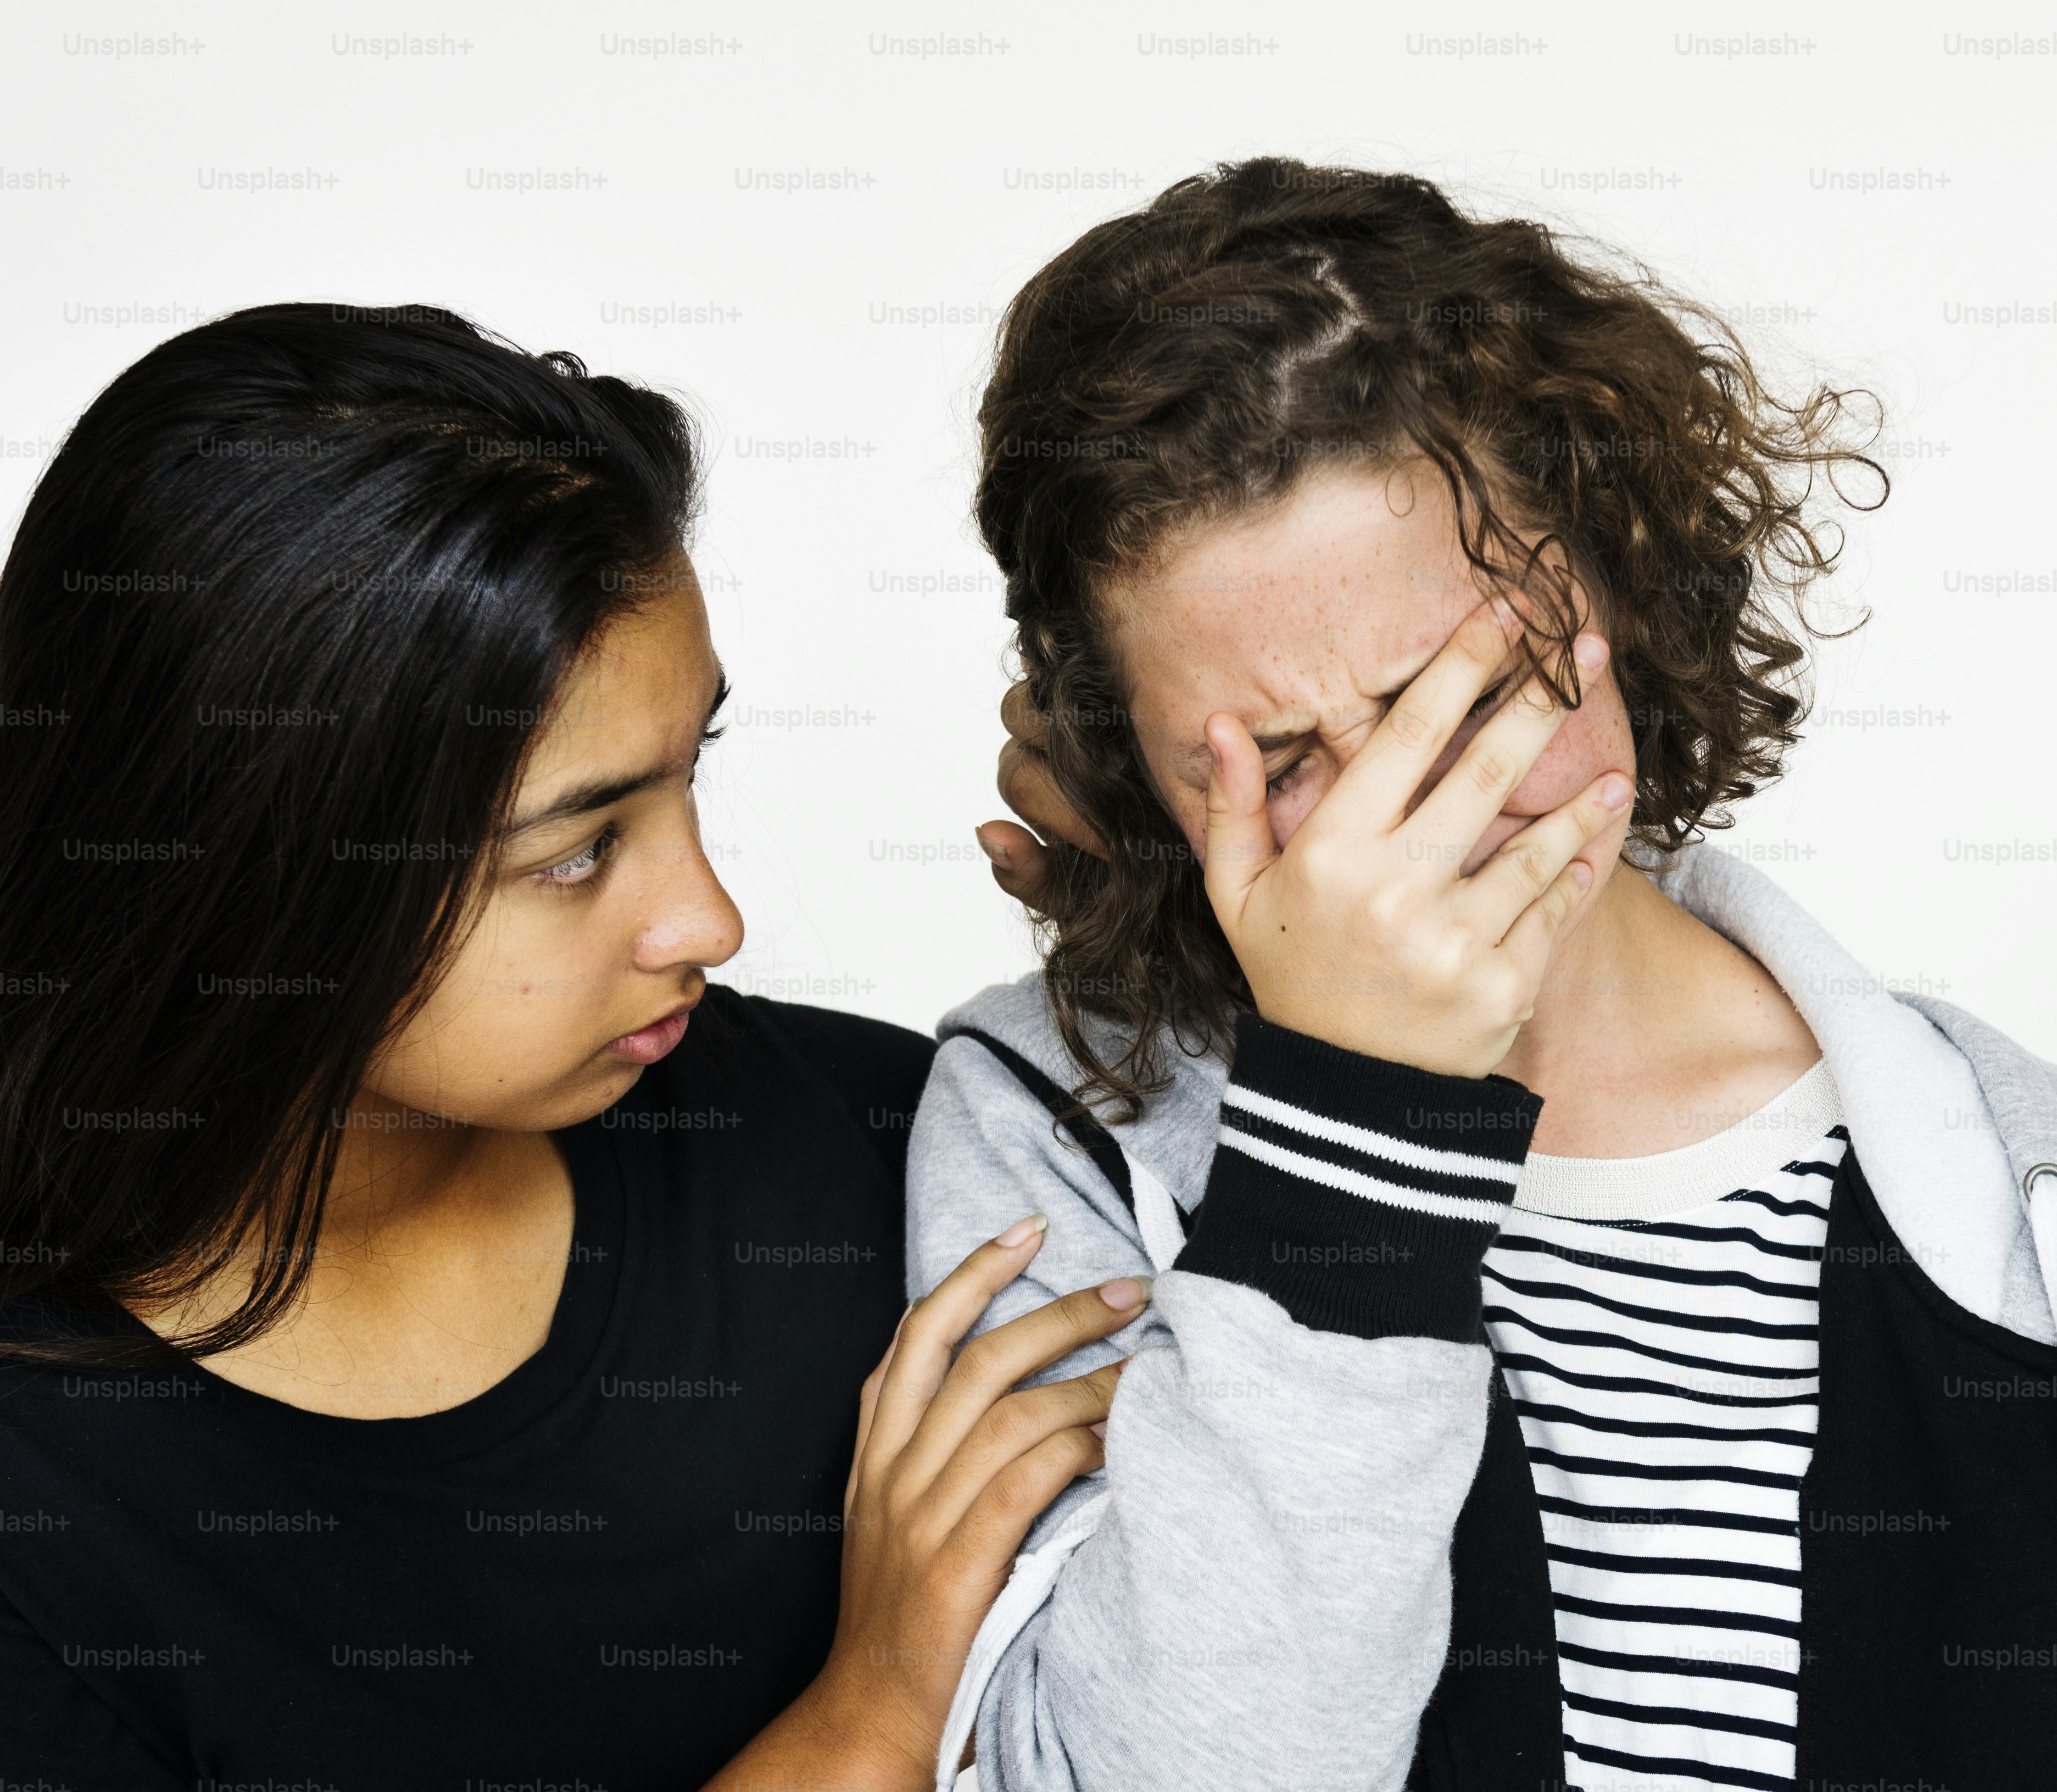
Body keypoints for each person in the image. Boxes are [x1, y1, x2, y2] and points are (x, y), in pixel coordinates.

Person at [908, 159, 2057, 1792]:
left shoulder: (2010, 1182)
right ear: (1132, 785)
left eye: (1476, 689)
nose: (1406, 828)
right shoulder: (1049, 1126)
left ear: (1621, 577)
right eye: (1281, 757)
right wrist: (1356, 1119)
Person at [0, 303, 1149, 1792]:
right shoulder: (46, 1514)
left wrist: (1188, 988)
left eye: (689, 776)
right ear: (250, 857)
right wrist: (874, 1713)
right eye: (576, 849)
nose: (710, 919)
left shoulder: (898, 1149)